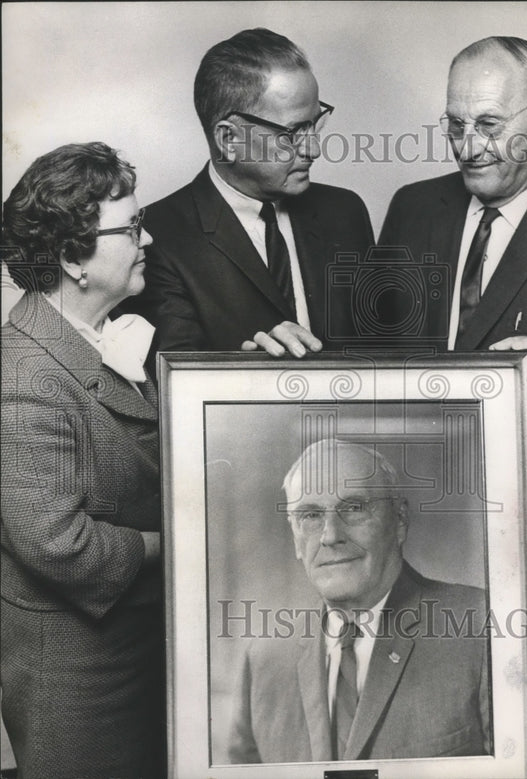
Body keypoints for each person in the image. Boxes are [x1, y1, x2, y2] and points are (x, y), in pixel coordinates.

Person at [378, 37, 527, 643]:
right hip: (414, 540)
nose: (468, 147)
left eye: (490, 125)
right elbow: (372, 356)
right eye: (455, 124)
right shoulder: (412, 208)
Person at [1, 142, 165, 778]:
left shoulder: (95, 342)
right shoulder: (23, 374)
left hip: (126, 658)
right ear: (74, 257)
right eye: (131, 228)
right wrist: (173, 544)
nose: (146, 239)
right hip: (77, 684)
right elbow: (57, 546)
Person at [228, 439, 489, 763]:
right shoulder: (264, 659)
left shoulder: (480, 628)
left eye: (353, 508)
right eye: (310, 515)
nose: (330, 535)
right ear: (296, 537)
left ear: (400, 520)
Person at [128, 27, 374, 362]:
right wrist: (250, 372)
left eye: (316, 124)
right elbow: (177, 388)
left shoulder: (345, 212)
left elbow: (379, 356)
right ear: (229, 139)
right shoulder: (157, 238)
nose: (314, 148)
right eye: (293, 132)